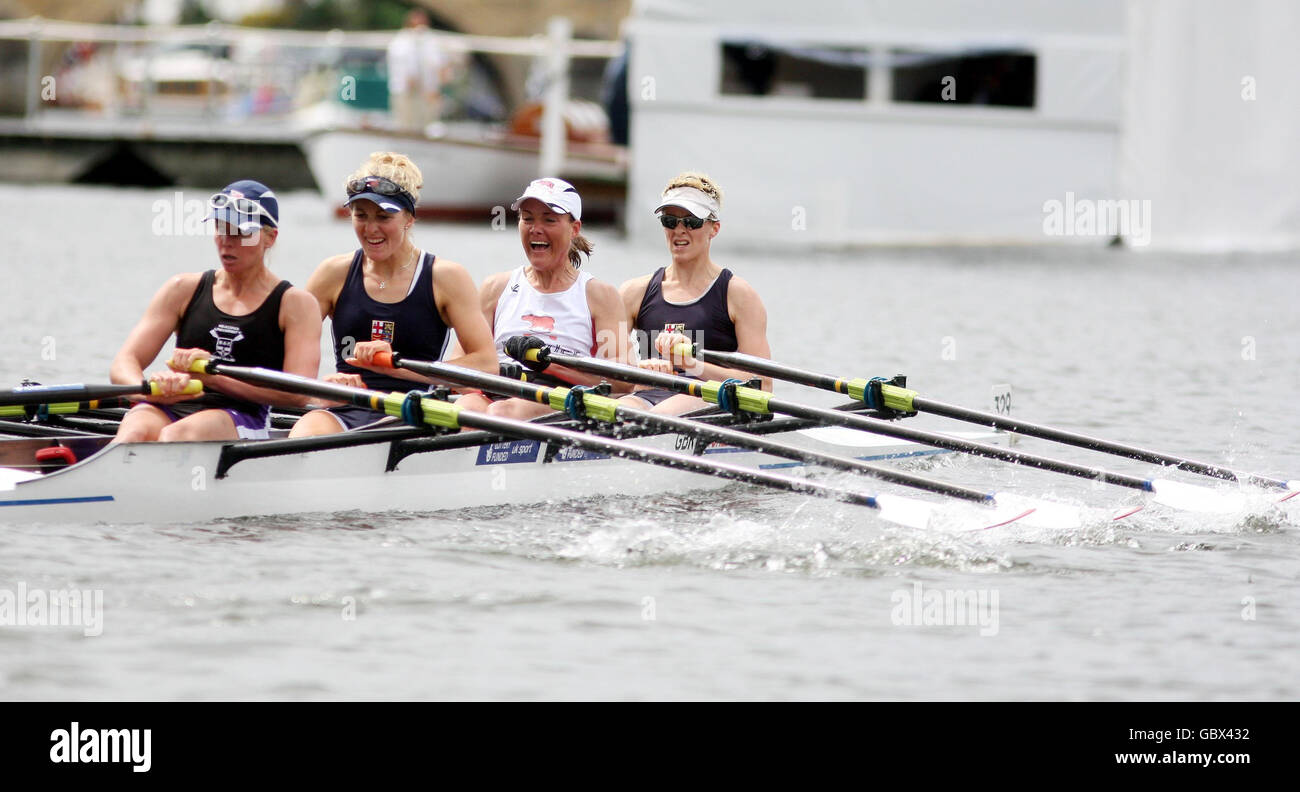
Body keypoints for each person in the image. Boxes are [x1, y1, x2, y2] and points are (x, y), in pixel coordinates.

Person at [289, 152, 497, 437]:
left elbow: (487, 364)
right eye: (360, 215)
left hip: (417, 410)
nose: (371, 228)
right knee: (305, 433)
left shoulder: (445, 277)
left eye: (384, 216)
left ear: (409, 218)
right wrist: (322, 390)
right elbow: (287, 352)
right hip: (346, 407)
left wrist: (397, 368)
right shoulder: (333, 273)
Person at [111, 180, 322, 442]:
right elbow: (123, 363)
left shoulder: (296, 305)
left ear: (270, 237)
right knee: (134, 431)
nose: (226, 242)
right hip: (173, 404)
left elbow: (297, 394)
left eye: (240, 232)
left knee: (176, 435)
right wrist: (147, 391)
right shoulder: (182, 289)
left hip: (240, 414)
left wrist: (213, 378)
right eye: (221, 228)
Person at [454, 177, 632, 419]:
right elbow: (456, 366)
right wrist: (495, 375)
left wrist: (548, 364)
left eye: (549, 220)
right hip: (495, 390)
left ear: (574, 228)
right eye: (527, 218)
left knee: (502, 410)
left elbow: (622, 383)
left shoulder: (600, 296)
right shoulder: (495, 288)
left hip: (559, 398)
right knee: (464, 409)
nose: (535, 228)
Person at [618, 172, 771, 414]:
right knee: (616, 414)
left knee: (656, 417)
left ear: (714, 228)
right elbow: (604, 368)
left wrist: (693, 365)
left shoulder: (738, 295)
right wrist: (637, 369)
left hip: (705, 399)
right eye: (670, 221)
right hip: (644, 398)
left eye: (691, 222)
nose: (679, 230)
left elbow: (761, 384)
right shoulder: (634, 292)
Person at [387, 9, 446, 134]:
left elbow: (438, 63)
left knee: (426, 122)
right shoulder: (400, 41)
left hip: (426, 91)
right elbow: (401, 63)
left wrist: (435, 86)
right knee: (404, 122)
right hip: (405, 90)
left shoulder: (431, 40)